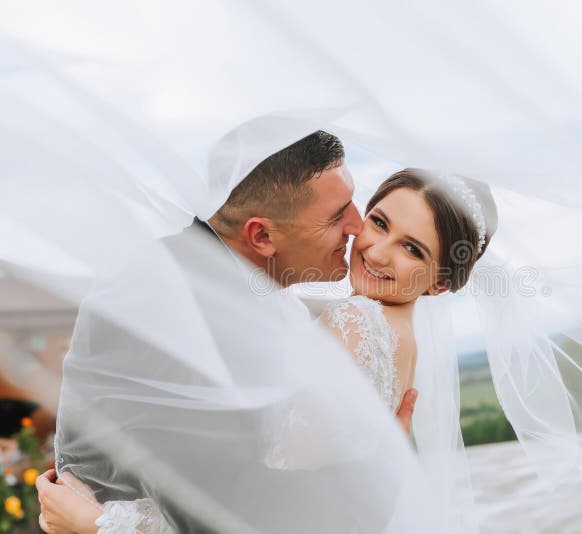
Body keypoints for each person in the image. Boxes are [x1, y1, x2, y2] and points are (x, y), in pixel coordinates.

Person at [37, 131, 426, 533]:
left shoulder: (255, 292)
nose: (356, 226)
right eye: (336, 214)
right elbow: (224, 514)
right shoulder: (160, 306)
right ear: (261, 236)